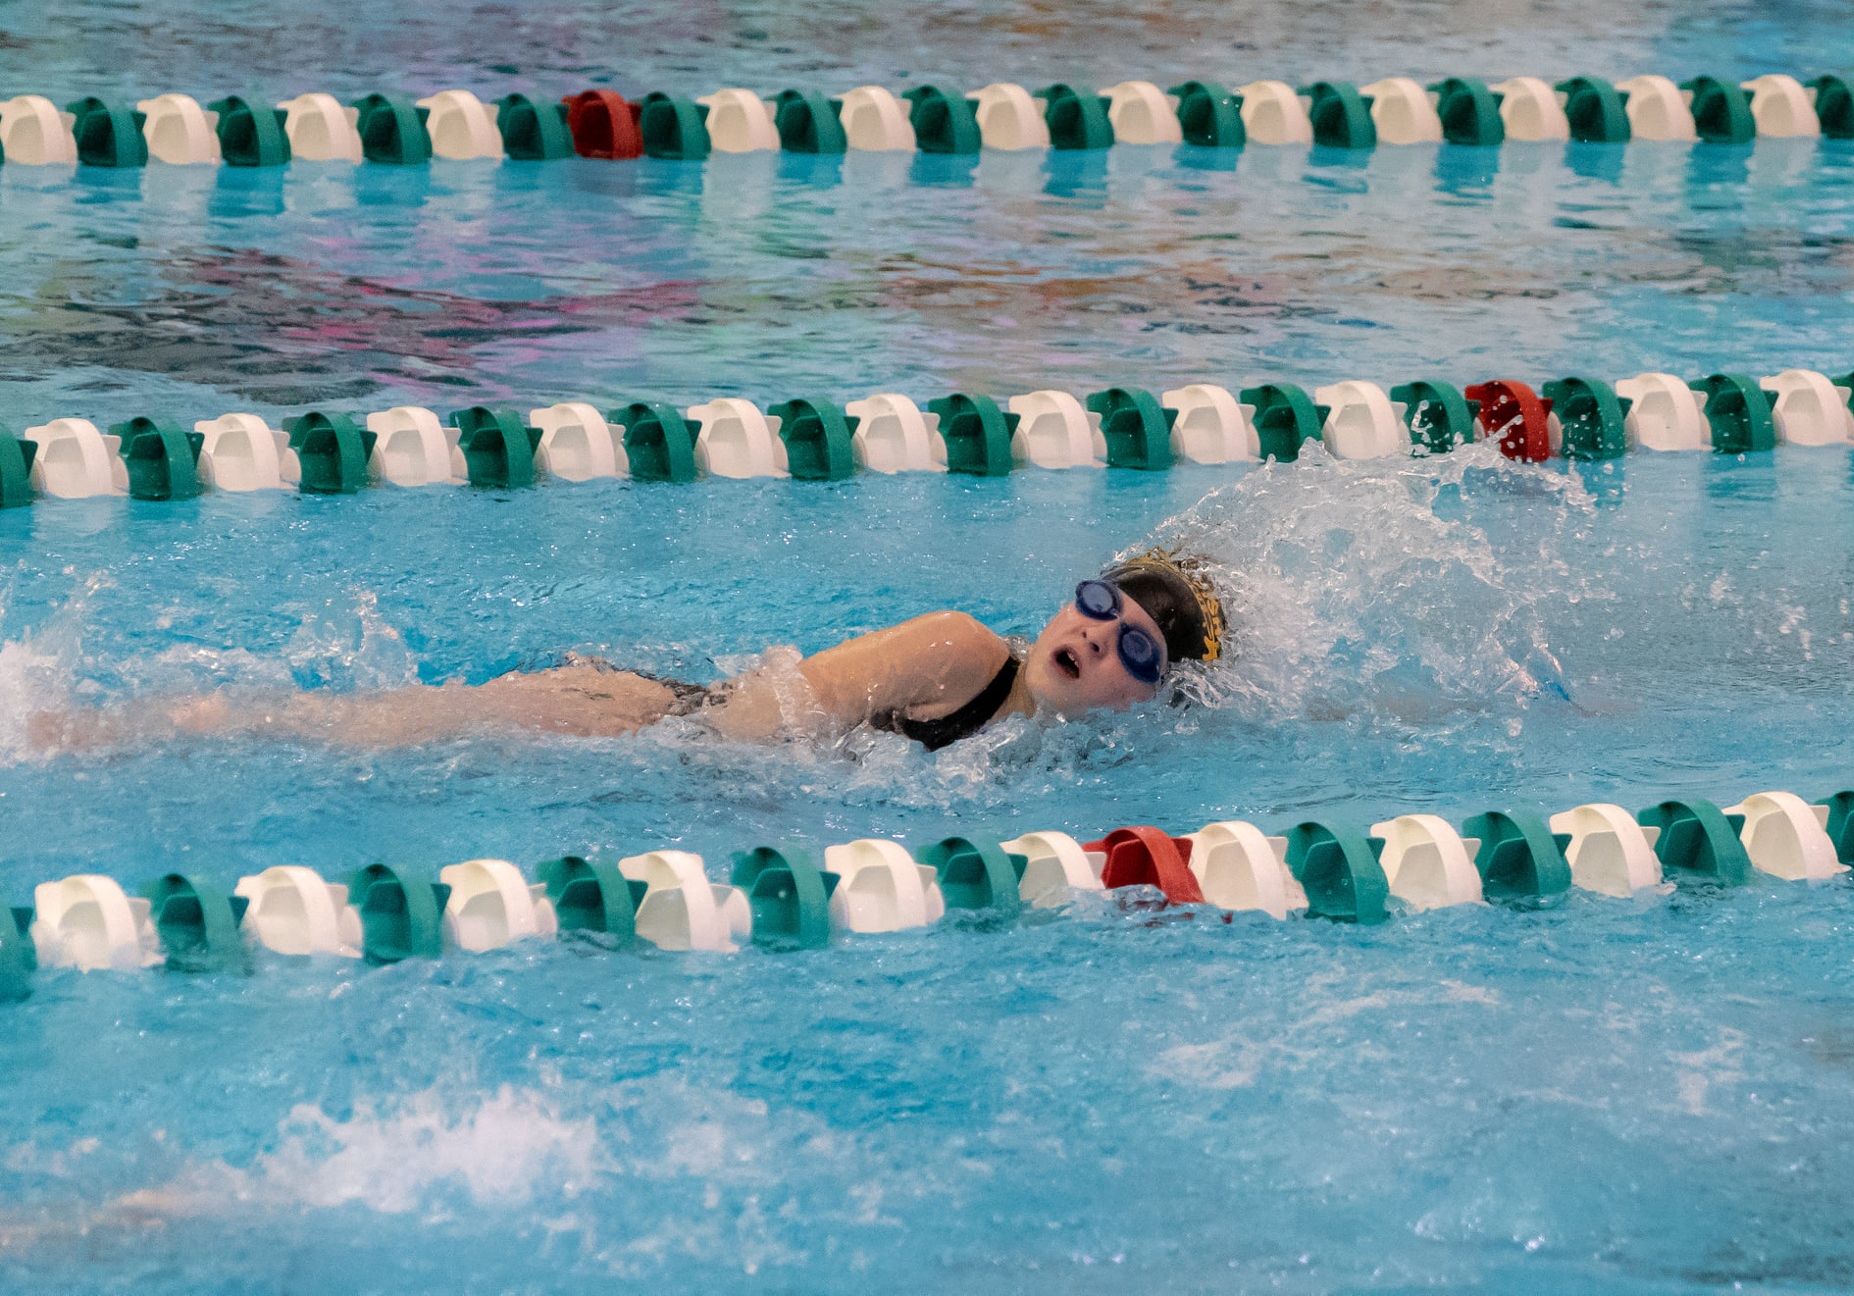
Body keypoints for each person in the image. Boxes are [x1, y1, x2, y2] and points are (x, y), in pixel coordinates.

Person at [29, 548, 1227, 752]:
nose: (1094, 634)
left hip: (663, 749)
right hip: (633, 724)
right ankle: (76, 727)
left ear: (1147, 700)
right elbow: (771, 716)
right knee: (343, 732)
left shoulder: (1058, 759)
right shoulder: (960, 651)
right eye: (1098, 602)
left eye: (1132, 649)